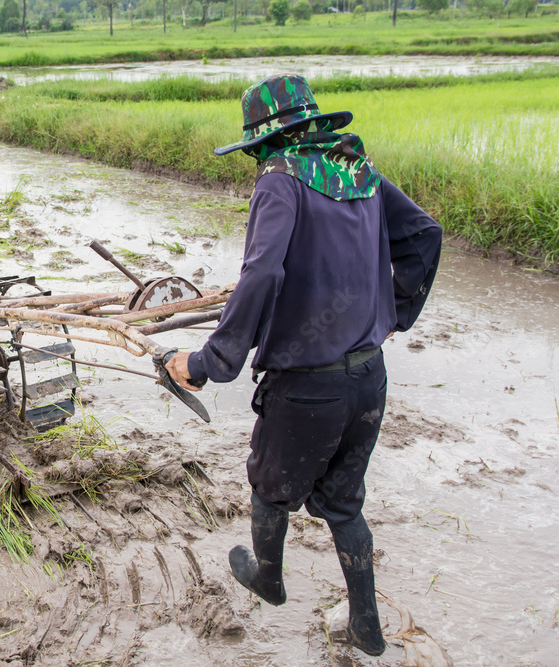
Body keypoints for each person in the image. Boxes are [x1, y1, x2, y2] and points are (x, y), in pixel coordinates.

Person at [164, 74, 442, 657]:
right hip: (368, 377)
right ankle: (366, 626)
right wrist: (395, 315)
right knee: (345, 502)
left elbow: (262, 274)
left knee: (269, 489)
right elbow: (423, 234)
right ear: (311, 126)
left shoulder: (278, 181)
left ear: (266, 141)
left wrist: (210, 360)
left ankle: (268, 576)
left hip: (308, 385)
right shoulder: (357, 172)